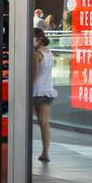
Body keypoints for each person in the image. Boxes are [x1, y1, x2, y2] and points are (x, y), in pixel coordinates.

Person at [32, 27, 57, 162]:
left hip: (36, 91)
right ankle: (45, 152)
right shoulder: (49, 53)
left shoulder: (36, 54)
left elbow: (34, 75)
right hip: (48, 90)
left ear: (39, 39)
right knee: (44, 123)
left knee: (23, 123)